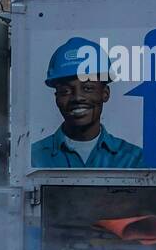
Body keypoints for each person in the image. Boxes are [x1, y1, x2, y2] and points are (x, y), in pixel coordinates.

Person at [31, 36, 144, 168]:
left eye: (88, 88)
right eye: (65, 91)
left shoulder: (134, 160)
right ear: (56, 97)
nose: (77, 98)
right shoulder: (32, 158)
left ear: (105, 93)